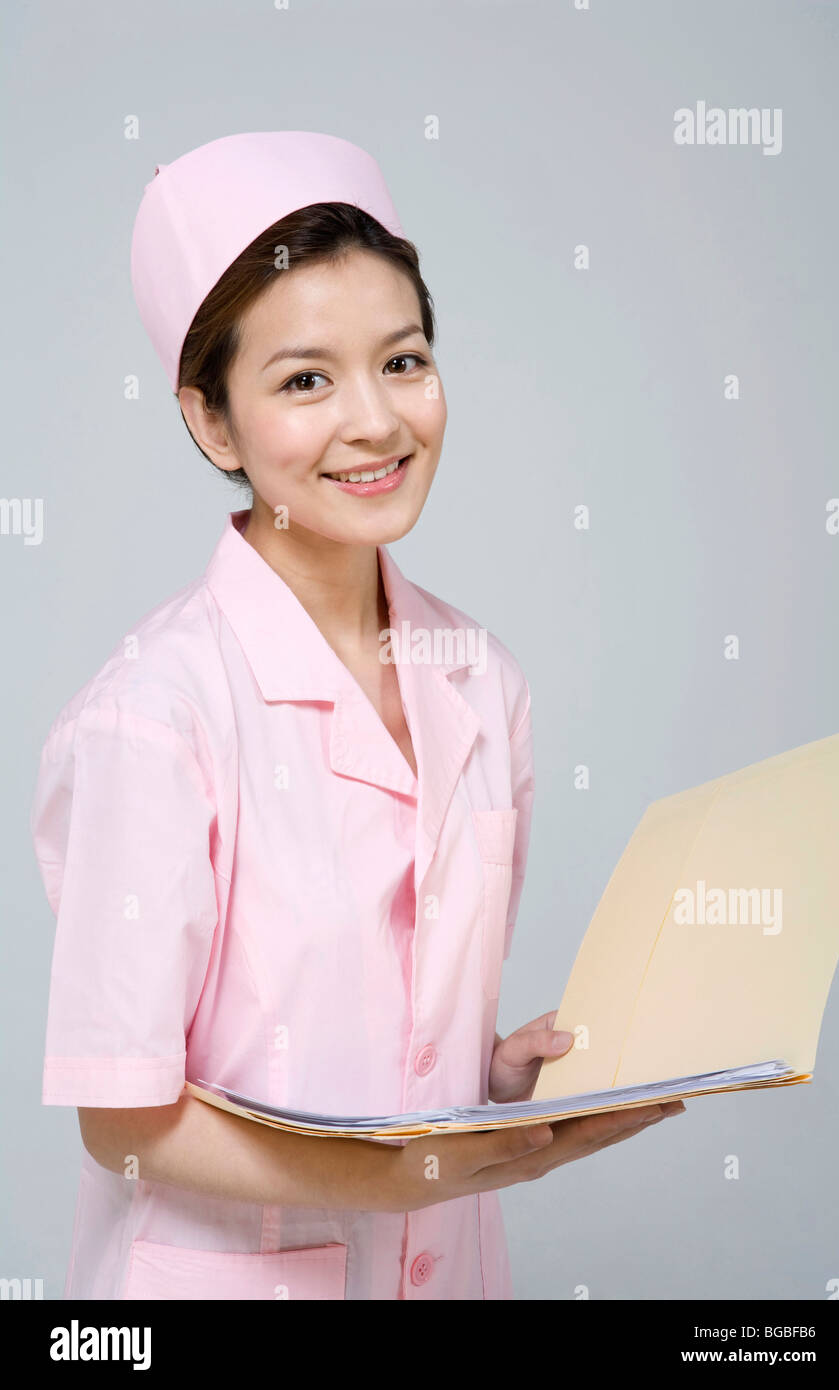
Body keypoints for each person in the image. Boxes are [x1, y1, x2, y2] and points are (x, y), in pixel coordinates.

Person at [30, 131, 684, 1301]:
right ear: (212, 423)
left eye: (403, 360)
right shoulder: (154, 713)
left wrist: (495, 1086)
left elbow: (390, 1043)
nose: (376, 421)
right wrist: (395, 1175)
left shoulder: (480, 681)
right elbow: (120, 1120)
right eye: (305, 380)